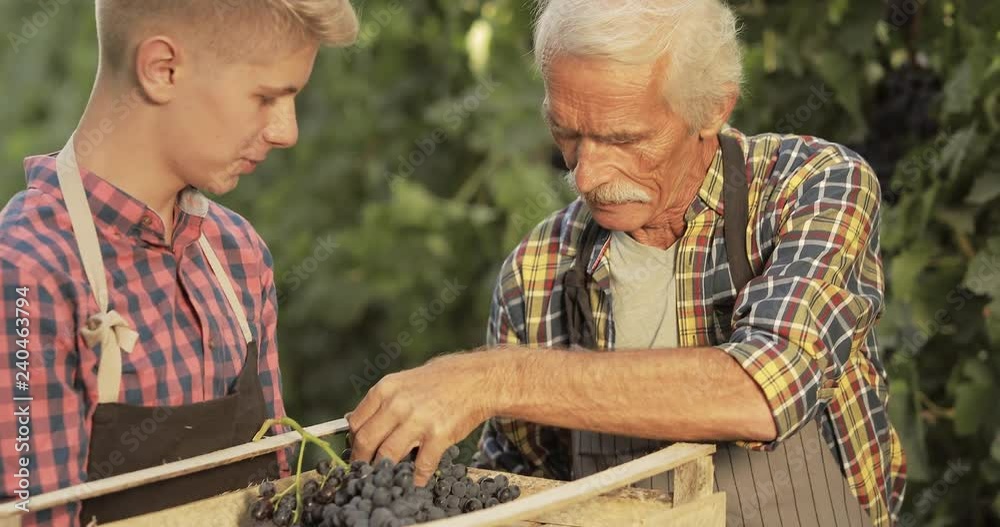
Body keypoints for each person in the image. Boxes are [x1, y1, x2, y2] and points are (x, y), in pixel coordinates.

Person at [345, 1, 906, 526]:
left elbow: (765, 390)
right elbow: (521, 489)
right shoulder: (538, 270)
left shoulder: (813, 186)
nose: (586, 177)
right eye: (567, 134)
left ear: (712, 106)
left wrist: (496, 374)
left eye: (624, 139)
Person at [0, 1, 357, 525]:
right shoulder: (29, 272)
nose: (287, 131)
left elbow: (278, 493)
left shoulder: (238, 254)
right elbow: (29, 514)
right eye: (265, 97)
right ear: (162, 69)